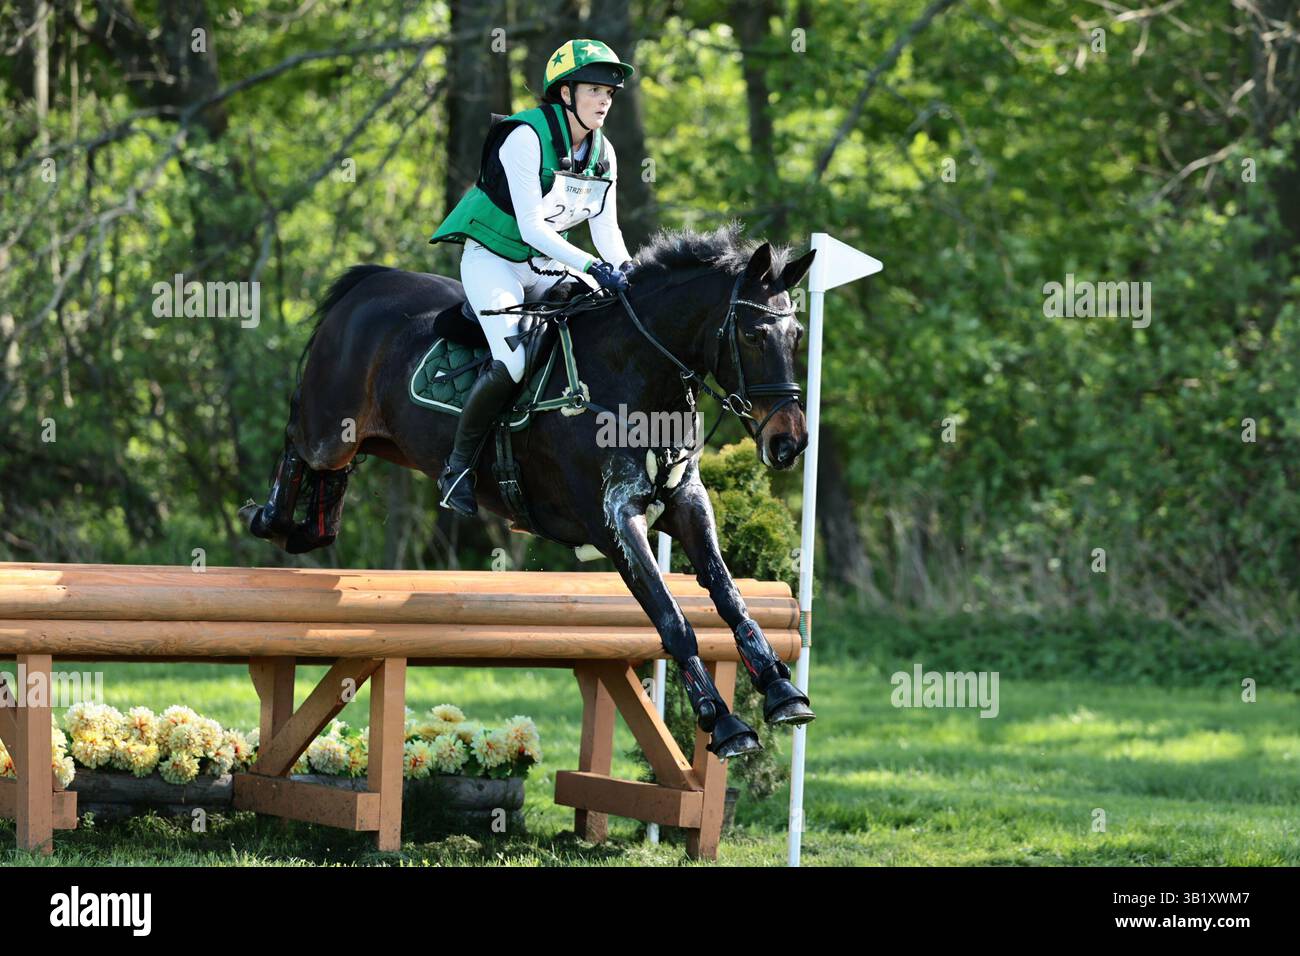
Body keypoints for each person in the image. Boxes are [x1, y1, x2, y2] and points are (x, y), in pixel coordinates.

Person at [428, 38, 638, 515]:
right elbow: (531, 227)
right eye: (594, 89)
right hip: (493, 259)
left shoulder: (604, 154)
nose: (605, 99)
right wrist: (590, 267)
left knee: (607, 321)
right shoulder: (525, 136)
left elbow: (607, 231)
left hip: (546, 264)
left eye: (610, 91)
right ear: (565, 94)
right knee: (517, 361)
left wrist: (629, 273)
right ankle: (458, 467)